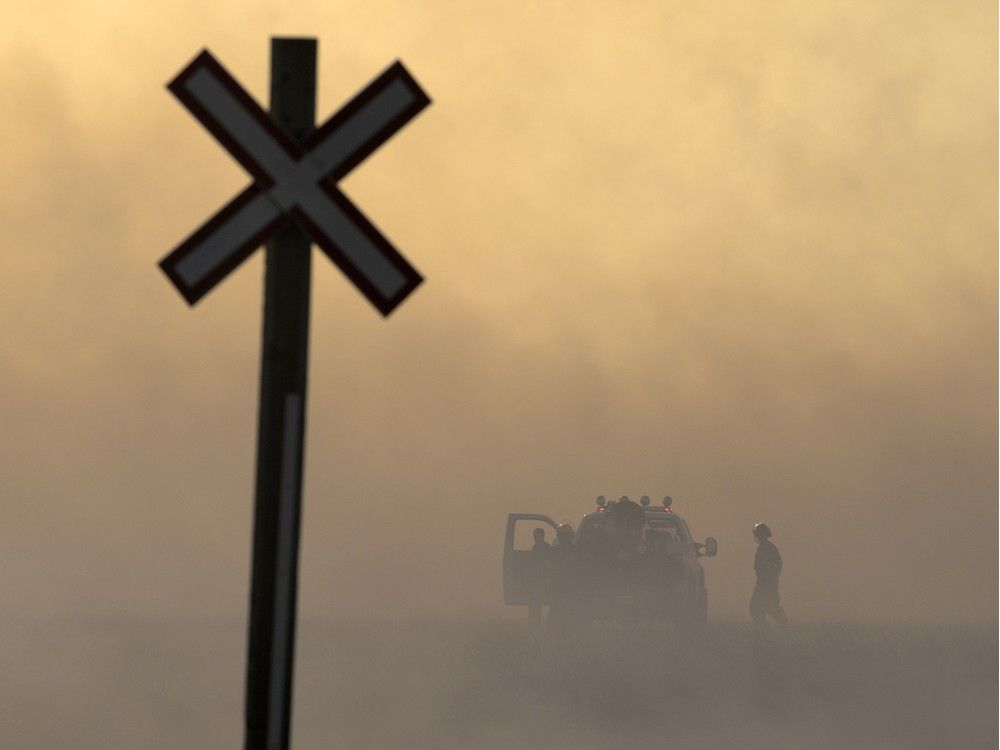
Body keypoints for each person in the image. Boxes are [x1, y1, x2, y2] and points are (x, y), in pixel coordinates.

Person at [750, 522, 788, 630]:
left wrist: (770, 578)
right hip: (765, 582)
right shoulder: (766, 547)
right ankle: (763, 628)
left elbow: (777, 564)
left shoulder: (767, 548)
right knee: (761, 606)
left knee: (764, 606)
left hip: (766, 583)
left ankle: (780, 625)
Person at [528, 528, 551, 629]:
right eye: (535, 536)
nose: (536, 538)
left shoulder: (544, 547)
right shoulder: (536, 547)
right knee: (535, 605)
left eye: (537, 536)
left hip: (543, 581)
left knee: (536, 604)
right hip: (537, 581)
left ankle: (536, 627)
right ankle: (534, 626)